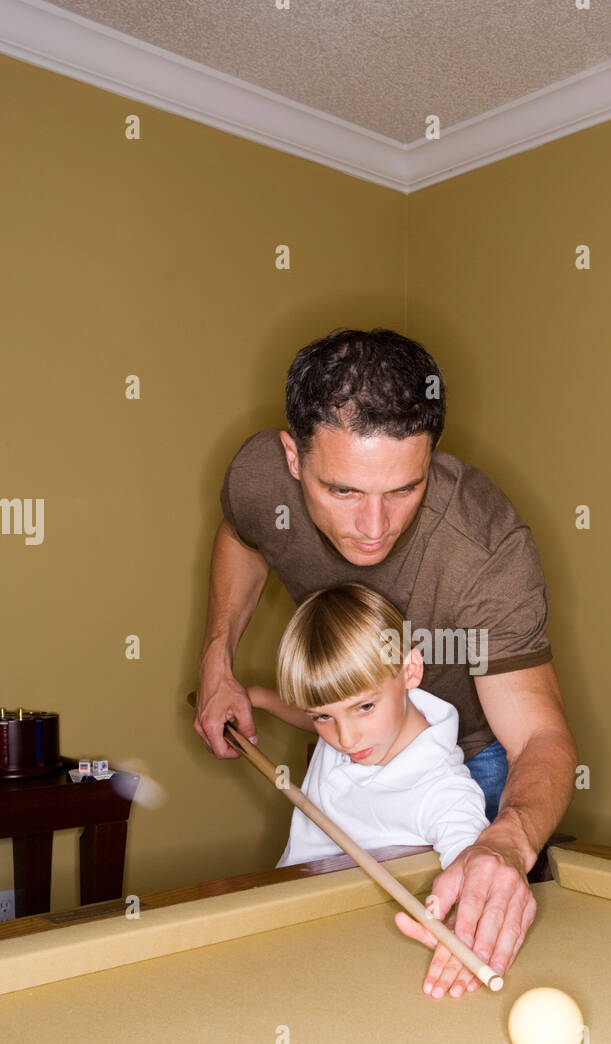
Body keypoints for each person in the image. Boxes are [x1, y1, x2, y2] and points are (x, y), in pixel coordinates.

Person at [195, 327, 577, 999]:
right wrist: (218, 659)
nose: (374, 526)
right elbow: (241, 534)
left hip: (471, 753)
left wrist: (508, 842)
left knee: (463, 932)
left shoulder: (486, 550)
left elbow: (540, 738)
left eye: (404, 489)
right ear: (292, 456)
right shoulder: (259, 478)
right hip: (345, 738)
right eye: (343, 492)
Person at [253, 585, 489, 896]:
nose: (346, 740)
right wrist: (254, 697)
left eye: (364, 707)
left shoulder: (446, 794)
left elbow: (475, 870)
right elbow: (315, 711)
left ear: (410, 670)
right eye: (322, 717)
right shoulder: (356, 727)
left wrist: (473, 890)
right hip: (282, 901)